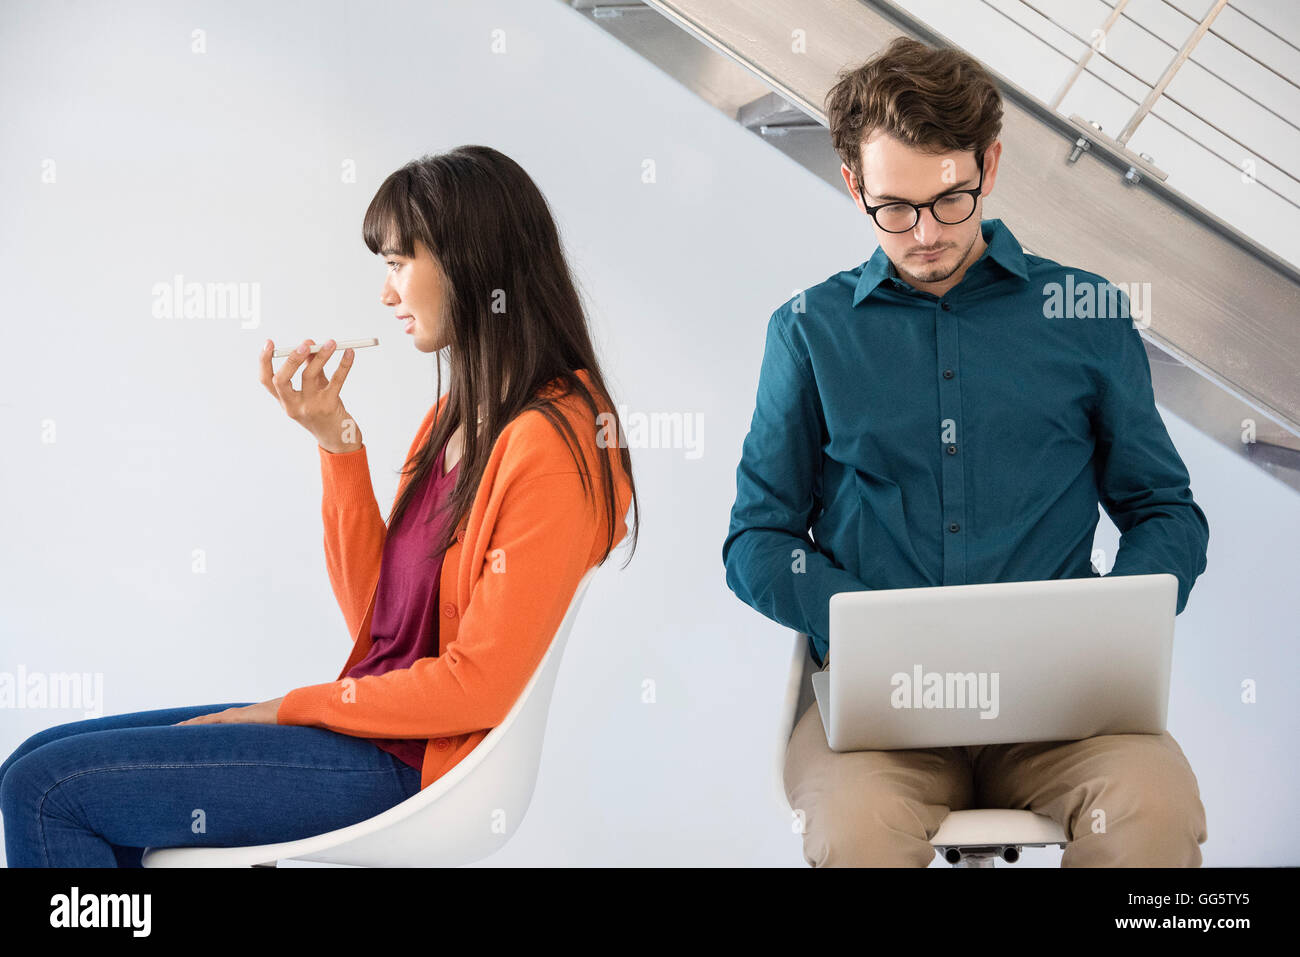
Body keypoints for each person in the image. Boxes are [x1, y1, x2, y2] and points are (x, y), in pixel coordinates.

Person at [0, 145, 639, 867]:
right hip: (370, 734)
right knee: (36, 758)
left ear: (472, 262)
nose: (387, 294)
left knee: (46, 790)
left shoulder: (553, 441)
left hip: (413, 766)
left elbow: (480, 685)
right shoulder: (453, 423)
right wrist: (338, 445)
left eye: (399, 263)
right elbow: (379, 622)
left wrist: (290, 706)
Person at [722, 37, 1209, 867]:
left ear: (989, 161)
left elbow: (1165, 511)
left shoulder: (1084, 313)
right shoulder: (807, 332)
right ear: (853, 185)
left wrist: (1114, 622)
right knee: (857, 828)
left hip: (1065, 717)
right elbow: (756, 540)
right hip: (883, 728)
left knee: (1155, 809)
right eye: (893, 208)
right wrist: (850, 616)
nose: (923, 235)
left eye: (950, 200)